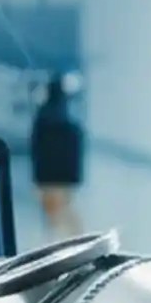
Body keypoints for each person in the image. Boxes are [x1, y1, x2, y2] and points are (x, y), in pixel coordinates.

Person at [30, 72, 86, 240]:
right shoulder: (62, 125)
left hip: (54, 178)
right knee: (60, 217)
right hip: (56, 177)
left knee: (61, 217)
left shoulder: (45, 124)